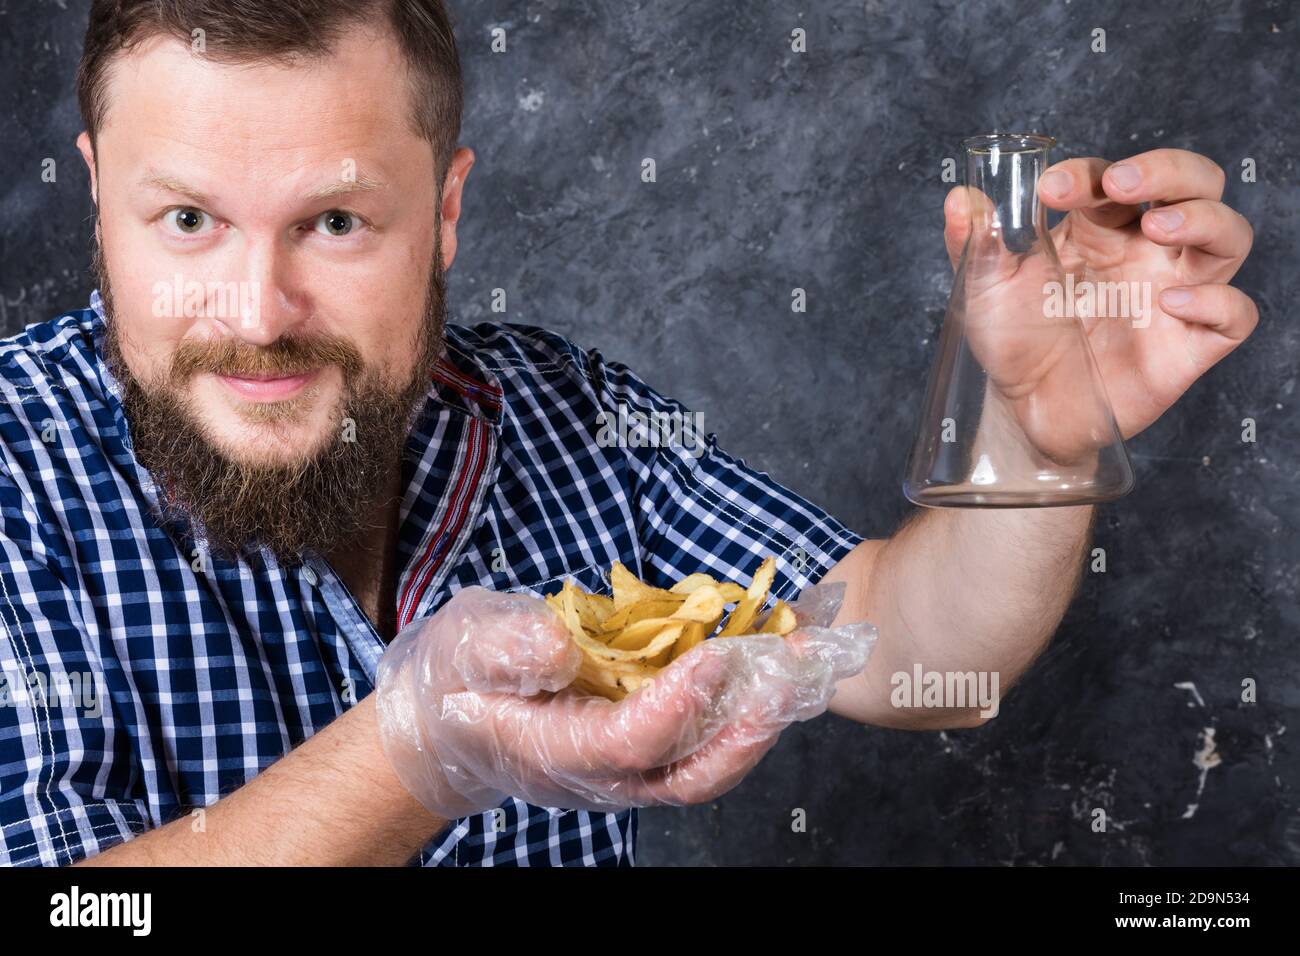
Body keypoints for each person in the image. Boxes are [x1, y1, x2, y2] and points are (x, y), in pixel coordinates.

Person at [0, 0, 1256, 867]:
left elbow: (911, 646)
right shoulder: (14, 467)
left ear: (443, 213)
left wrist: (1031, 439)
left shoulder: (567, 416)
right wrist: (422, 748)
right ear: (98, 194)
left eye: (334, 223)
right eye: (186, 222)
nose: (259, 313)